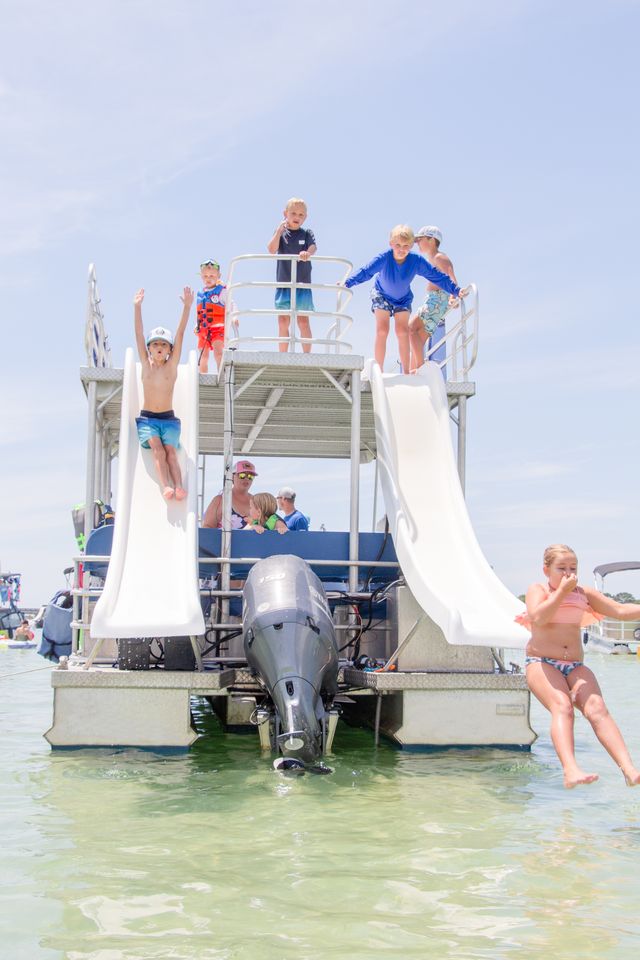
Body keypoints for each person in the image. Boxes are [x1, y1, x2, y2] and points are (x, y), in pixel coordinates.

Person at [517, 543, 640, 789]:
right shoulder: (538, 589)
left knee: (597, 708)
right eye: (561, 568)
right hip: (541, 662)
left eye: (573, 568)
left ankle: (629, 770)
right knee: (563, 707)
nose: (568, 573)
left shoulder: (583, 594)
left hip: (574, 664)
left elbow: (620, 610)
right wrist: (562, 592)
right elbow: (538, 617)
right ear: (546, 570)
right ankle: (570, 770)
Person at [344, 224, 467, 373]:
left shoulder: (416, 261)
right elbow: (366, 271)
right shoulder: (384, 258)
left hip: (402, 299)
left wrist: (456, 290)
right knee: (382, 330)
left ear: (411, 246)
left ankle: (406, 373)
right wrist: (348, 282)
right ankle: (379, 371)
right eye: (398, 245)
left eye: (406, 246)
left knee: (402, 332)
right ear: (391, 244)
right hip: (381, 294)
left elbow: (438, 276)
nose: (402, 249)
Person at [134, 287, 193, 501]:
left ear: (170, 350)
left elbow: (181, 333)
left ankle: (178, 486)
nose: (159, 348)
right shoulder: (145, 365)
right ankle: (166, 485)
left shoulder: (172, 366)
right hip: (148, 418)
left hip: (168, 418)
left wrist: (187, 307)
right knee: (158, 450)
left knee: (171, 452)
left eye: (163, 345)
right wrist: (137, 307)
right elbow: (139, 334)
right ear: (149, 349)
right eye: (155, 344)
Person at [267, 198, 316, 353]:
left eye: (301, 215)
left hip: (302, 283)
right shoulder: (281, 233)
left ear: (305, 217)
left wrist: (307, 253)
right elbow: (271, 249)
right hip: (284, 284)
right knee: (283, 321)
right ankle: (282, 354)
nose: (297, 217)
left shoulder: (307, 233)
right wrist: (278, 231)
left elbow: (313, 246)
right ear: (285, 214)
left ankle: (307, 355)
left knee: (303, 320)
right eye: (293, 213)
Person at [409, 226, 460, 372]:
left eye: (420, 240)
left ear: (431, 240)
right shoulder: (432, 259)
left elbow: (451, 277)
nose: (417, 243)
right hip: (434, 300)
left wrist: (453, 296)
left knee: (411, 328)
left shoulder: (439, 257)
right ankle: (414, 370)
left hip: (437, 300)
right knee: (418, 336)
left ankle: (420, 368)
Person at [202, 459, 257, 529]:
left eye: (250, 476)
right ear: (232, 476)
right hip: (222, 540)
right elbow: (207, 527)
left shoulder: (257, 501)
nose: (246, 479)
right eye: (242, 475)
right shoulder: (220, 500)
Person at [196, 259, 226, 373]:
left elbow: (231, 303)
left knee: (218, 353)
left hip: (217, 329)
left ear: (219, 276)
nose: (208, 279)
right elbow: (200, 313)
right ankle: (202, 378)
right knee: (203, 356)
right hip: (203, 330)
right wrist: (196, 325)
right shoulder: (200, 293)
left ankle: (221, 376)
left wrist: (234, 317)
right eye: (205, 276)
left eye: (212, 276)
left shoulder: (222, 291)